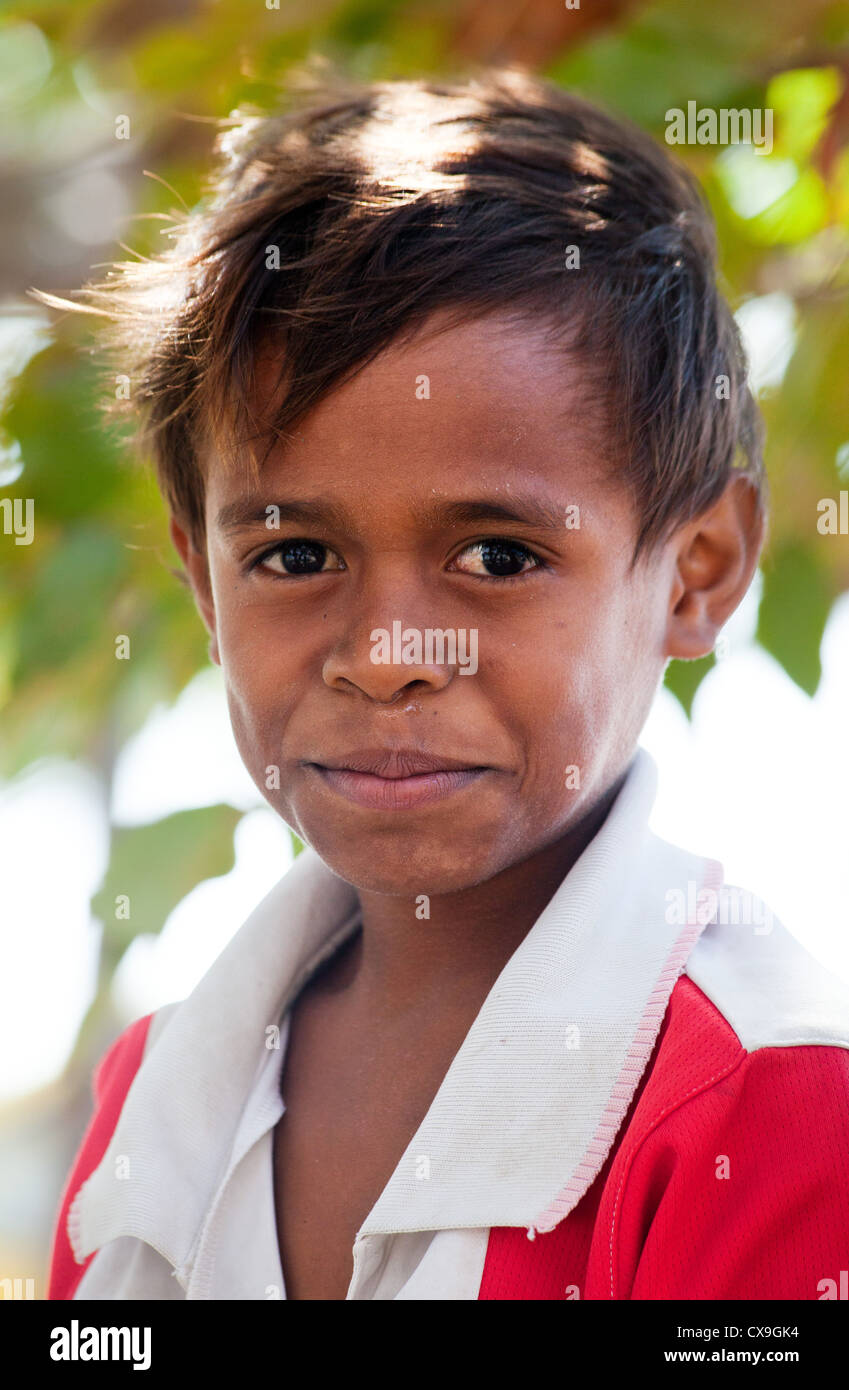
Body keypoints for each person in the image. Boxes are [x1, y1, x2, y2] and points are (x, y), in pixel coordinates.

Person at [40, 65, 849, 1301]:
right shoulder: (146, 1103)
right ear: (205, 583)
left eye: (498, 556)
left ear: (696, 570)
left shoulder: (771, 1101)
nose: (386, 656)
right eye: (295, 556)